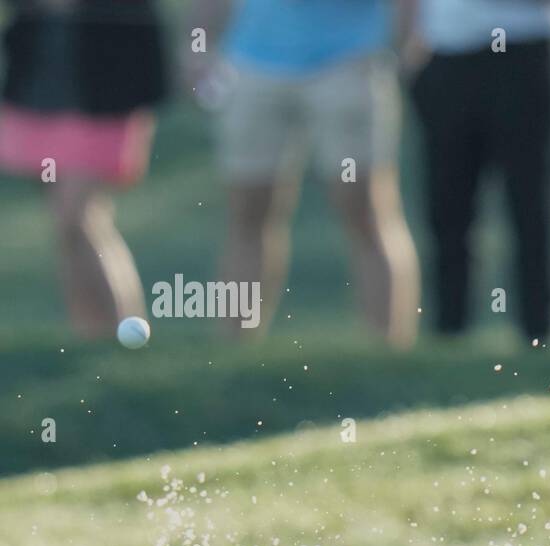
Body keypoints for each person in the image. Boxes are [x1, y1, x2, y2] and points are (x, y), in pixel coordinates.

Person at [186, 0, 419, 347]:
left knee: (365, 209)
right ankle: (235, 348)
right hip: (252, 63)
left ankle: (388, 349)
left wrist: (404, 47)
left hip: (350, 61)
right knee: (247, 213)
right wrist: (196, 45)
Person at [405, 0, 550, 347]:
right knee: (447, 205)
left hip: (522, 49)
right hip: (444, 52)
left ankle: (538, 332)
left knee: (529, 201)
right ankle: (449, 331)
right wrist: (408, 48)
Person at [0, 0, 167, 338]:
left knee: (74, 218)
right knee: (72, 226)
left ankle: (119, 329)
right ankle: (92, 334)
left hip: (104, 92)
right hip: (37, 84)